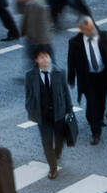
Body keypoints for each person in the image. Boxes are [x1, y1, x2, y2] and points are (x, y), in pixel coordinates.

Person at [25, 47, 76, 181]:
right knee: (46, 141)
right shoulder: (30, 75)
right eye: (41, 57)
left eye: (46, 56)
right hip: (43, 116)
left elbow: (65, 92)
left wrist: (69, 109)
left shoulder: (59, 73)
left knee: (59, 138)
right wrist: (31, 109)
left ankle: (58, 151)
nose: (45, 59)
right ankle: (52, 168)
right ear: (36, 60)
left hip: (58, 113)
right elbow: (29, 95)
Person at [67, 16, 107, 146]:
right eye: (88, 29)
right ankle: (96, 133)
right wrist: (71, 78)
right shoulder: (75, 43)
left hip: (104, 75)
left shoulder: (105, 37)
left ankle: (98, 120)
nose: (92, 31)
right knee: (92, 104)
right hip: (87, 77)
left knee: (101, 101)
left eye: (92, 27)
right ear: (81, 30)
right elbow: (71, 61)